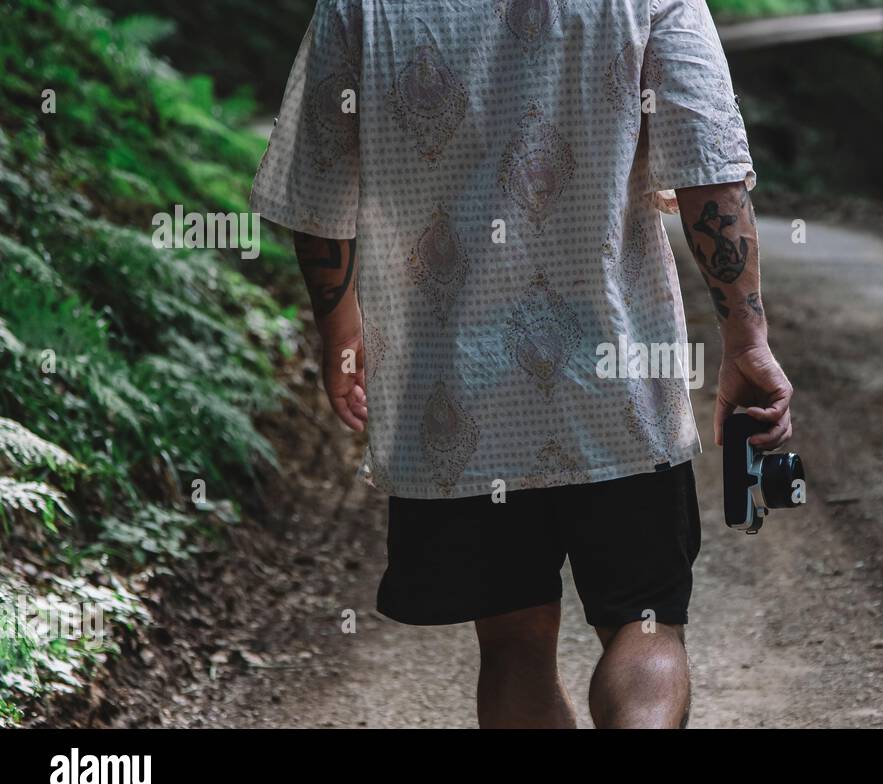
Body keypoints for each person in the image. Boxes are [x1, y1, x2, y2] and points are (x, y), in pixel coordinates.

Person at [251, 0, 793, 728]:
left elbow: (317, 192)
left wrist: (339, 329)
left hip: (458, 390)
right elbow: (711, 174)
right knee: (648, 624)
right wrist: (747, 340)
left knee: (512, 645)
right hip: (621, 380)